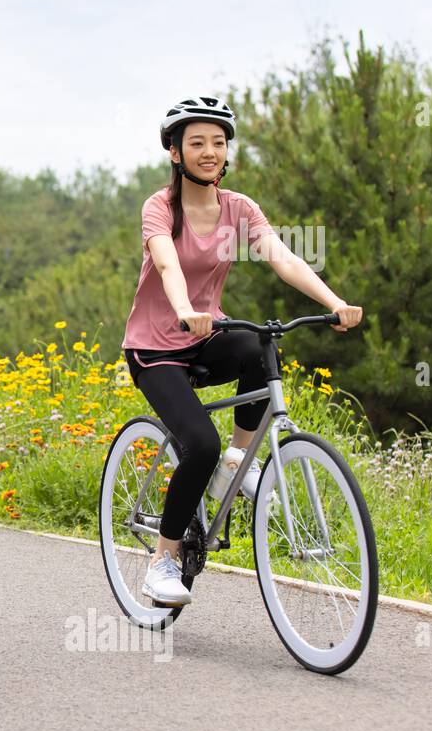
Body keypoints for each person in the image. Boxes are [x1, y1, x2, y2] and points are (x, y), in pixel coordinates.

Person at [121, 96, 363, 607]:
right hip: (155, 348)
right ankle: (162, 560)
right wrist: (186, 306)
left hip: (205, 335)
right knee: (198, 445)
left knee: (259, 343)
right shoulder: (161, 207)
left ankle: (238, 460)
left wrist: (335, 302)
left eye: (218, 141)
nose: (210, 151)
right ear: (175, 152)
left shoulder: (239, 208)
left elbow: (283, 257)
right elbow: (166, 264)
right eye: (197, 143)